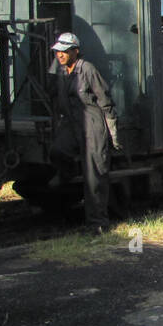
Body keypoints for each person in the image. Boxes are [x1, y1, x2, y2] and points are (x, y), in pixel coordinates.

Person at [50, 32, 121, 233]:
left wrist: (112, 132)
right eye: (58, 51)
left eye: (64, 51)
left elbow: (105, 100)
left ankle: (98, 223)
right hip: (72, 125)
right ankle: (67, 173)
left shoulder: (87, 70)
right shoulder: (61, 72)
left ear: (75, 51)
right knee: (57, 151)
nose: (60, 55)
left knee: (95, 176)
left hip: (92, 125)